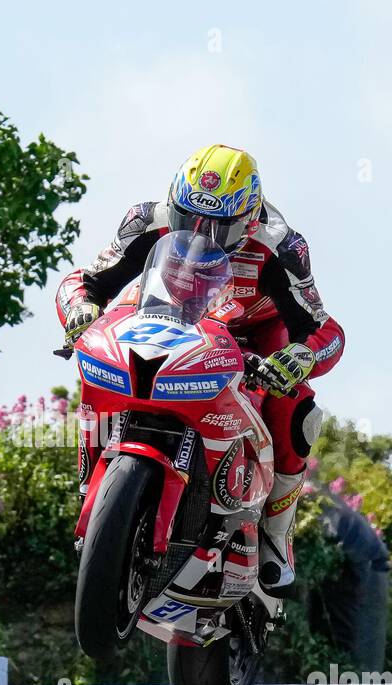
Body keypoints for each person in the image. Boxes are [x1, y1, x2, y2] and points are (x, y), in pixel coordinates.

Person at [55, 144, 345, 591]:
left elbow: (325, 330)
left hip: (252, 332)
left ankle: (275, 534)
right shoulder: (144, 222)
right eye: (188, 220)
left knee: (296, 410)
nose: (200, 233)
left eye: (218, 226)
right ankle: (92, 482)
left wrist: (300, 357)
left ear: (248, 220)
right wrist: (80, 309)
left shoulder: (283, 246)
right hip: (162, 312)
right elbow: (86, 281)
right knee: (104, 360)